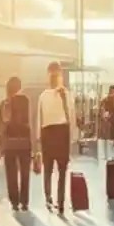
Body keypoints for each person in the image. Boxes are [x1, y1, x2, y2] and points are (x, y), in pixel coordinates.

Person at [37, 62, 75, 214]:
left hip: (47, 133)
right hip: (62, 132)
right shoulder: (66, 95)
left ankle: (48, 198)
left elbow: (39, 120)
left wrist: (38, 140)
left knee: (48, 169)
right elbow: (71, 117)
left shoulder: (43, 96)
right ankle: (60, 202)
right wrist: (71, 138)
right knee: (62, 170)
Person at [0, 76, 35, 211]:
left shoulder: (4, 103)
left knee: (11, 173)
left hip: (9, 144)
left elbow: (1, 125)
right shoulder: (25, 101)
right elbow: (29, 122)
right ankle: (24, 201)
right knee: (25, 173)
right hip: (24, 142)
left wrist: (1, 145)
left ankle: (14, 201)